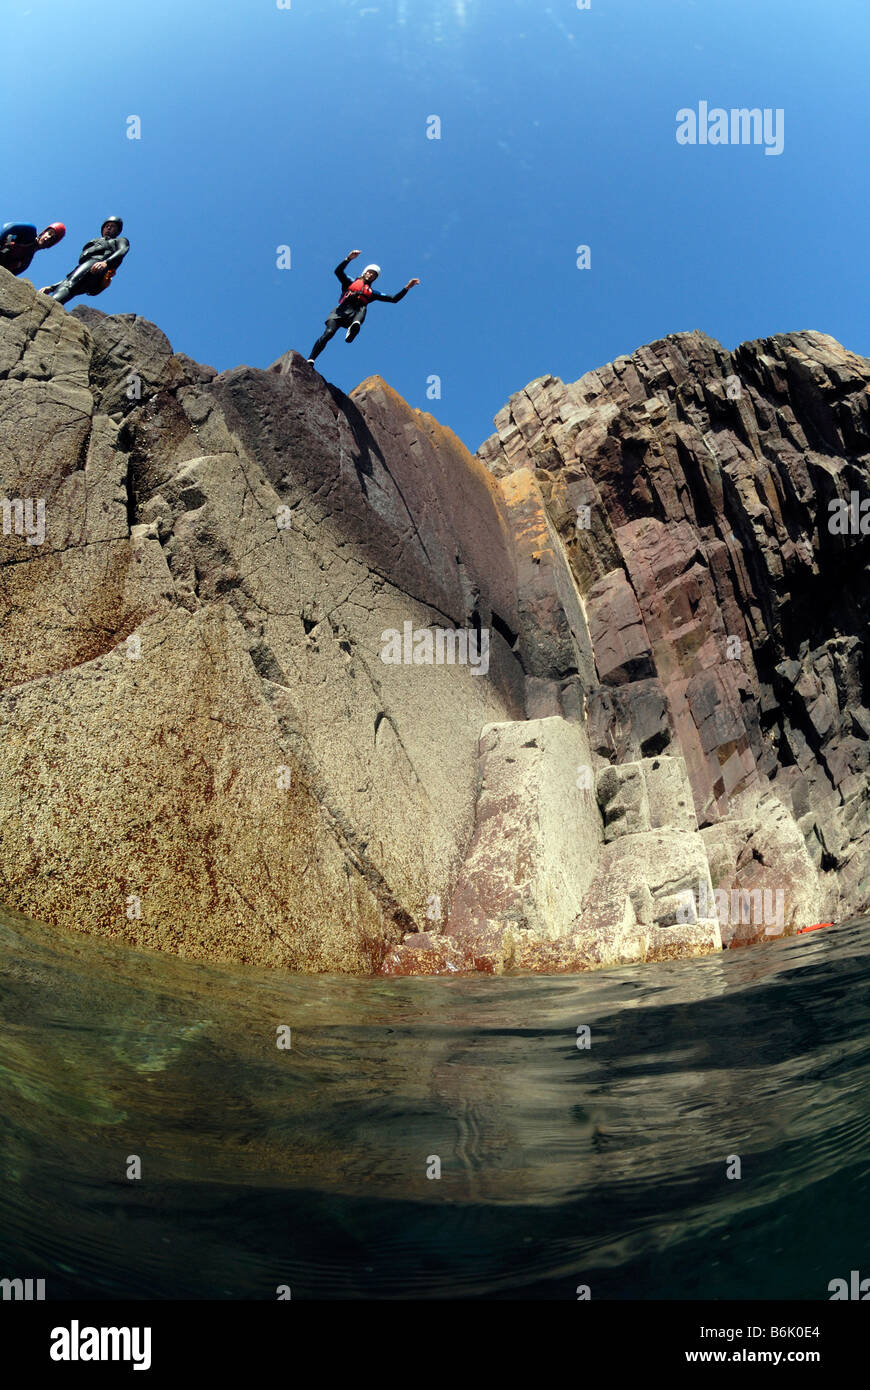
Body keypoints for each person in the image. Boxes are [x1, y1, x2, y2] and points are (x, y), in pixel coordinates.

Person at [307, 249, 419, 363]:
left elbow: (394, 299)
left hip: (355, 315)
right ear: (364, 272)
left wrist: (407, 287)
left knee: (363, 307)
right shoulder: (350, 282)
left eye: (374, 275)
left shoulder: (372, 293)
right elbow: (338, 272)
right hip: (340, 312)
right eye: (369, 272)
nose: (371, 275)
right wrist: (348, 259)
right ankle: (311, 358)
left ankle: (354, 327)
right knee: (329, 333)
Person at [40, 216, 129, 305]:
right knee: (69, 286)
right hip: (86, 265)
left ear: (117, 231)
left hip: (97, 264)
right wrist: (52, 287)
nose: (109, 228)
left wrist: (106, 262)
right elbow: (70, 279)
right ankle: (50, 306)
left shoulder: (120, 240)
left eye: (112, 226)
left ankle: (47, 305)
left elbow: (122, 250)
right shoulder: (97, 242)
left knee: (70, 285)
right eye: (107, 226)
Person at [0, 221, 65, 277]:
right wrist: (7, 243)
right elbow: (9, 227)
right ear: (43, 232)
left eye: (52, 238)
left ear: (50, 244)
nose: (48, 238)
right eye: (49, 233)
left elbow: (8, 277)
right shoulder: (29, 233)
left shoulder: (25, 262)